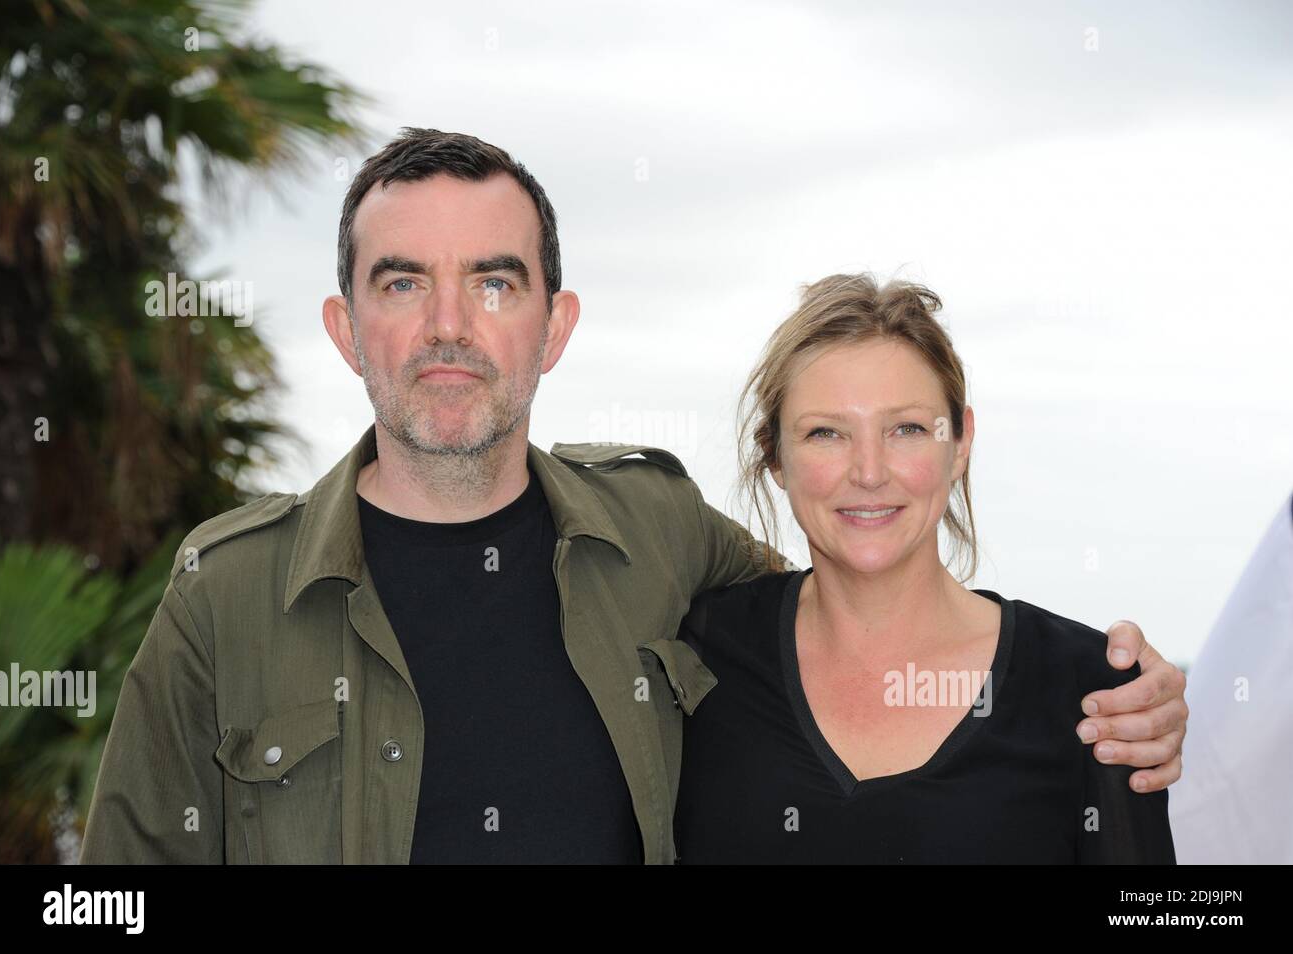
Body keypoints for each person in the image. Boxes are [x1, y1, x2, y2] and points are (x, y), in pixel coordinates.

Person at [80, 130, 1186, 864]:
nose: (449, 325)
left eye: (495, 281)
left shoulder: (654, 541)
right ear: (344, 327)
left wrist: (1124, 689)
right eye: (403, 281)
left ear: (555, 327)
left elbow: (865, 593)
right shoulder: (222, 599)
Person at [674, 273, 1176, 863]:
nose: (868, 471)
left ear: (960, 444)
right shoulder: (698, 657)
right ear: (775, 456)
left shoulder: (1092, 691)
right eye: (825, 433)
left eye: (907, 429)